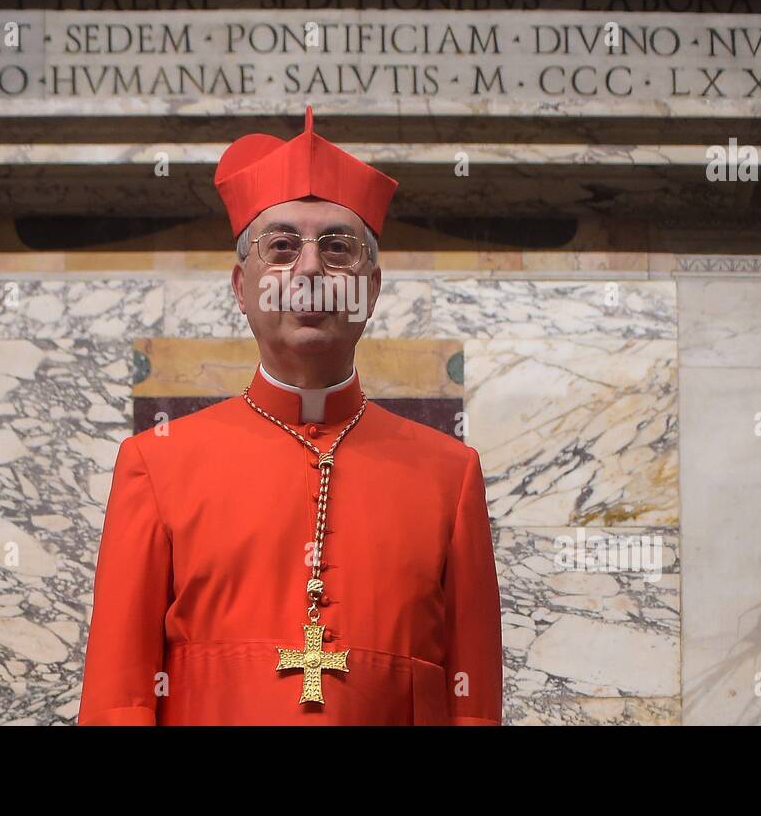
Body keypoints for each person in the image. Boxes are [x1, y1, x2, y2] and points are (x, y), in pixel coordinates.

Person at [77, 108, 502, 725]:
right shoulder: (156, 463)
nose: (308, 270)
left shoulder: (449, 475)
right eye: (281, 247)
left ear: (372, 287)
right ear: (241, 285)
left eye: (337, 248)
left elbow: (474, 710)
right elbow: (120, 703)